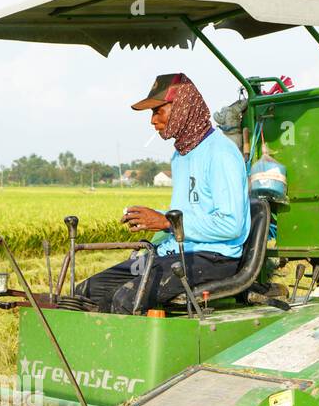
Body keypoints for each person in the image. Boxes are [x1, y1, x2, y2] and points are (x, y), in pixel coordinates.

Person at [78, 73, 251, 314]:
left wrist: (164, 221)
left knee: (125, 298)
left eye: (158, 111)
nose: (153, 120)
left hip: (213, 259)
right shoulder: (181, 155)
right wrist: (154, 219)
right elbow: (187, 213)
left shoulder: (220, 153)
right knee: (87, 292)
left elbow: (231, 225)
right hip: (173, 253)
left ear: (183, 108)